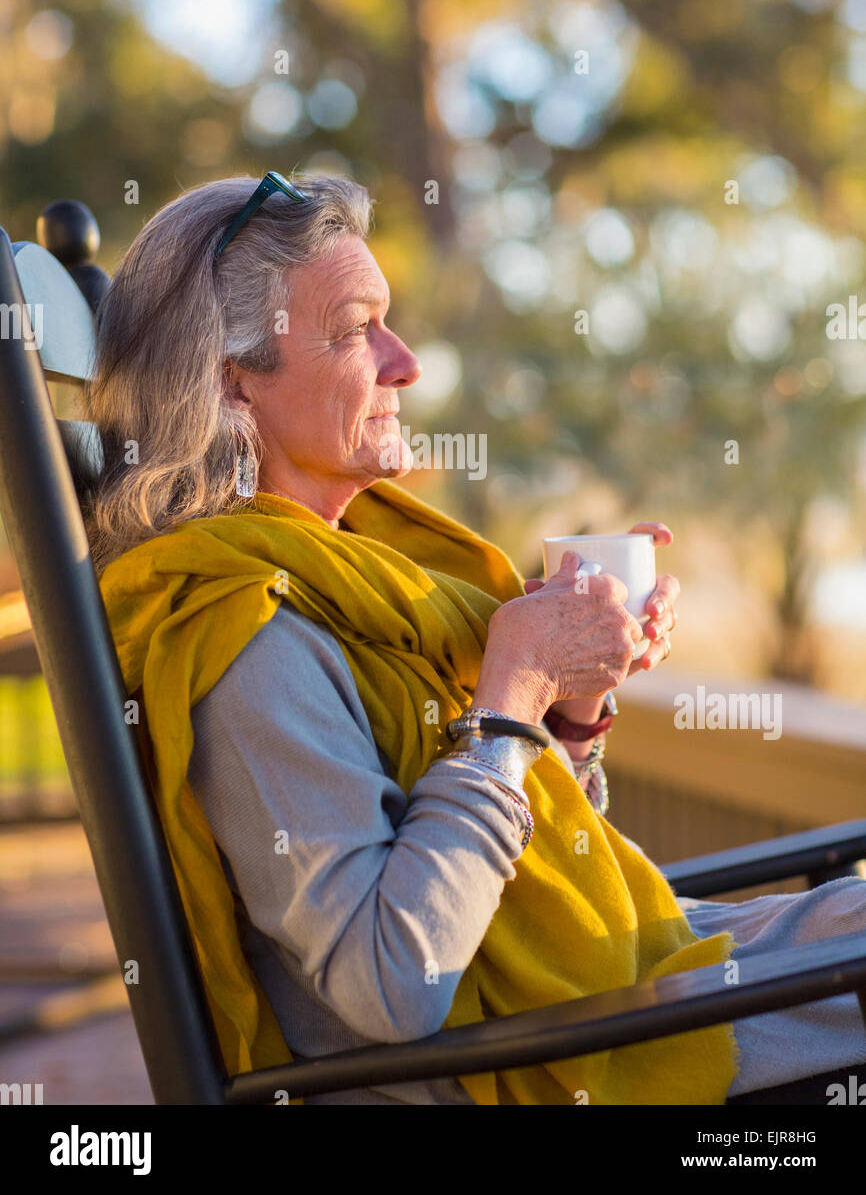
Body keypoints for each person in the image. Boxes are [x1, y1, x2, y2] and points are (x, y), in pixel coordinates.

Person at [86, 172, 866, 1105]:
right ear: (231, 382)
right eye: (354, 330)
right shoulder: (248, 637)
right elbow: (392, 981)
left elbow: (501, 883)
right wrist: (510, 699)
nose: (405, 362)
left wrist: (568, 708)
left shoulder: (362, 585)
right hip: (518, 1062)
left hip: (577, 990)